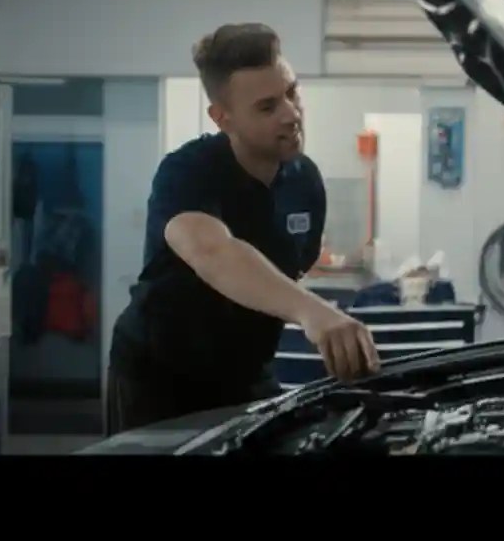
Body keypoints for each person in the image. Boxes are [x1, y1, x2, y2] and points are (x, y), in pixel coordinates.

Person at [107, 22, 380, 434]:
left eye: (292, 93)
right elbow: (213, 252)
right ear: (222, 117)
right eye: (267, 107)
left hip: (247, 373)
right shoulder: (188, 171)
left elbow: (286, 271)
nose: (291, 114)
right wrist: (312, 311)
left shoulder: (305, 180)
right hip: (160, 378)